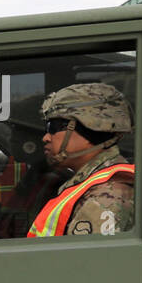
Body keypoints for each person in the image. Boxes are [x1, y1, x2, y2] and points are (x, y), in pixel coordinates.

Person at [27, 83, 134, 237]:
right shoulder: (89, 184)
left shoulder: (106, 195)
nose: (46, 137)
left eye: (54, 127)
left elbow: (87, 260)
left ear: (91, 127)